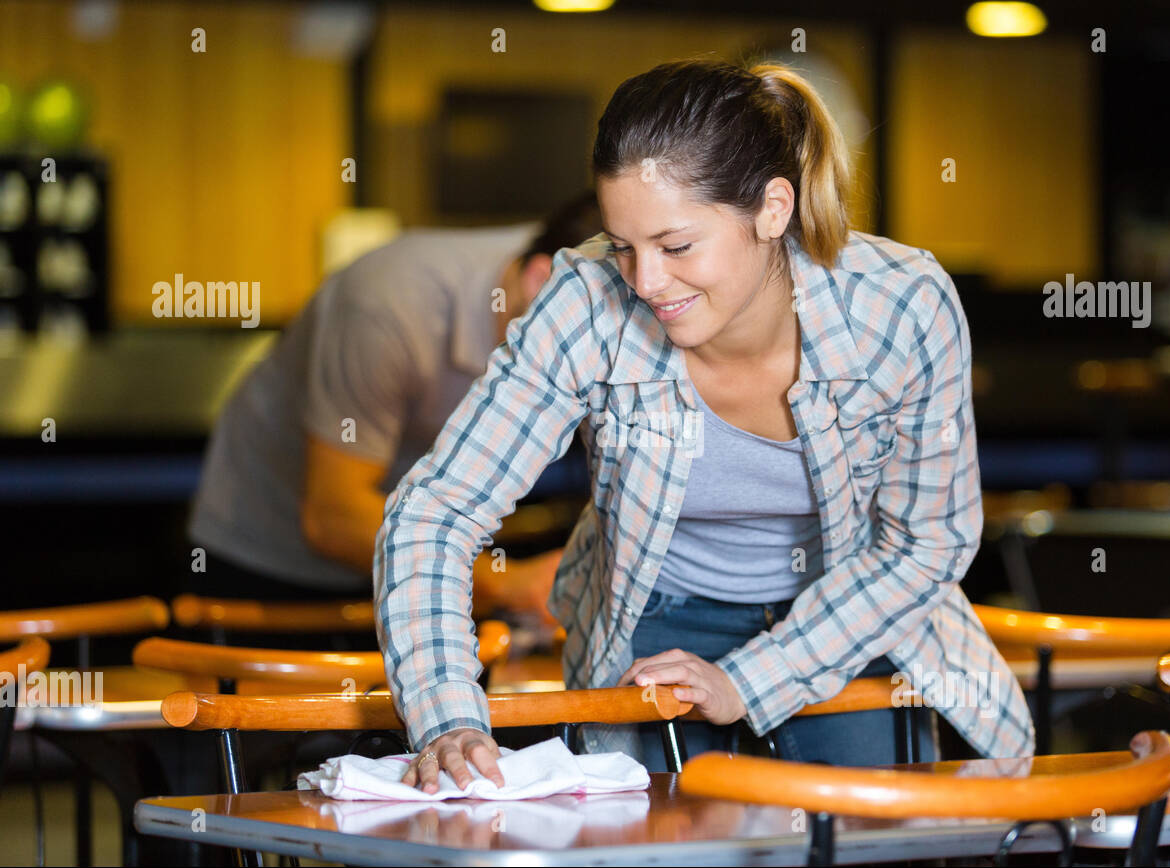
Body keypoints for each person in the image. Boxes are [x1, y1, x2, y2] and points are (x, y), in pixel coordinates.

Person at [377, 58, 1035, 793]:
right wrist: (448, 718)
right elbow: (434, 513)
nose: (645, 282)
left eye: (676, 245)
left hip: (851, 619)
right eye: (623, 245)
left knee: (862, 846)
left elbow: (926, 540)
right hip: (653, 624)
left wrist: (754, 678)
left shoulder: (902, 304)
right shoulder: (586, 301)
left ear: (772, 210)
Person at [186, 193, 603, 615]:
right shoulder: (388, 308)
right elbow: (333, 519)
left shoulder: (591, 264)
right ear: (538, 281)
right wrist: (509, 583)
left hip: (414, 553)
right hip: (272, 556)